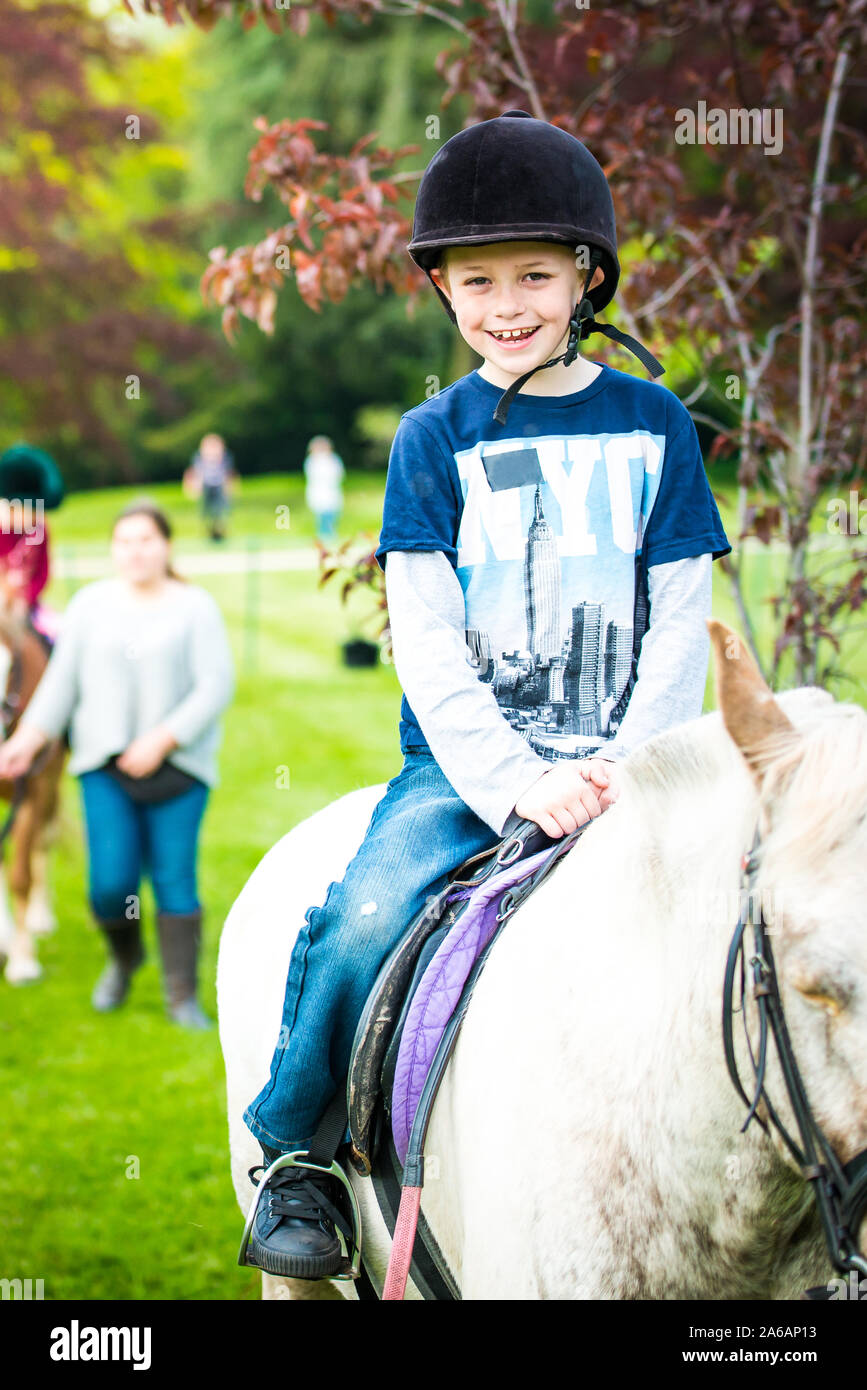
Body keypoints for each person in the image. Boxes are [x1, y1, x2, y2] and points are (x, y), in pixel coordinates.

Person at [239, 110, 732, 1279]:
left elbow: (679, 621)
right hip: (471, 773)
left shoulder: (654, 423)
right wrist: (520, 780)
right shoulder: (431, 437)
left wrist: (627, 764)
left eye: (533, 276)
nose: (506, 303)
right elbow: (427, 642)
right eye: (478, 281)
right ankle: (295, 1154)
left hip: (634, 761)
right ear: (445, 292)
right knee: (363, 913)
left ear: (583, 278)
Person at [0, 499, 235, 1028]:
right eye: (125, 541)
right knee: (111, 884)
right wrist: (28, 740)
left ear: (166, 546)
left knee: (175, 882)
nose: (135, 551)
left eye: (146, 540)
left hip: (179, 772)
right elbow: (61, 685)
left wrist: (162, 739)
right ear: (113, 549)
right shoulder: (89, 606)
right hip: (104, 769)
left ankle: (181, 995)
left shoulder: (194, 607)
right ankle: (125, 960)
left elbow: (215, 685)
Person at [186, 434, 237, 542]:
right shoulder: (199, 459)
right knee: (205, 511)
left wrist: (230, 488)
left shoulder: (225, 459)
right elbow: (195, 473)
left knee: (221, 510)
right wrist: (194, 487)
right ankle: (207, 531)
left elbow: (229, 475)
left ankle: (220, 531)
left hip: (219, 487)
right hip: (206, 487)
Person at [302, 435, 345, 541]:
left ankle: (330, 535)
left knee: (331, 515)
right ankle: (323, 537)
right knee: (321, 517)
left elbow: (339, 474)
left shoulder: (333, 459)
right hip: (319, 492)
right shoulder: (312, 461)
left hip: (331, 492)